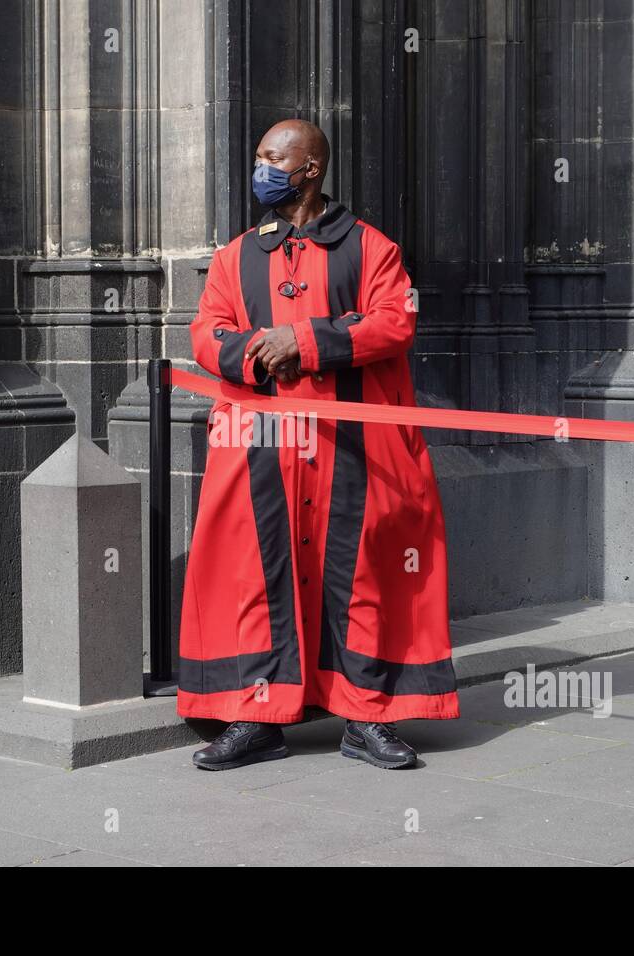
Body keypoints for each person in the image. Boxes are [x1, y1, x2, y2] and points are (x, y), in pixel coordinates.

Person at [177, 118, 458, 770]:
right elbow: (205, 331)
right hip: (262, 450)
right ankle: (258, 715)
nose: (262, 168)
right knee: (258, 576)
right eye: (258, 157)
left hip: (352, 450)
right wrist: (256, 349)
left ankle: (366, 718)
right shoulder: (236, 255)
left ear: (311, 169)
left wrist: (303, 343)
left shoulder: (371, 248)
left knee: (360, 579)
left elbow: (395, 321)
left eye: (275, 158)